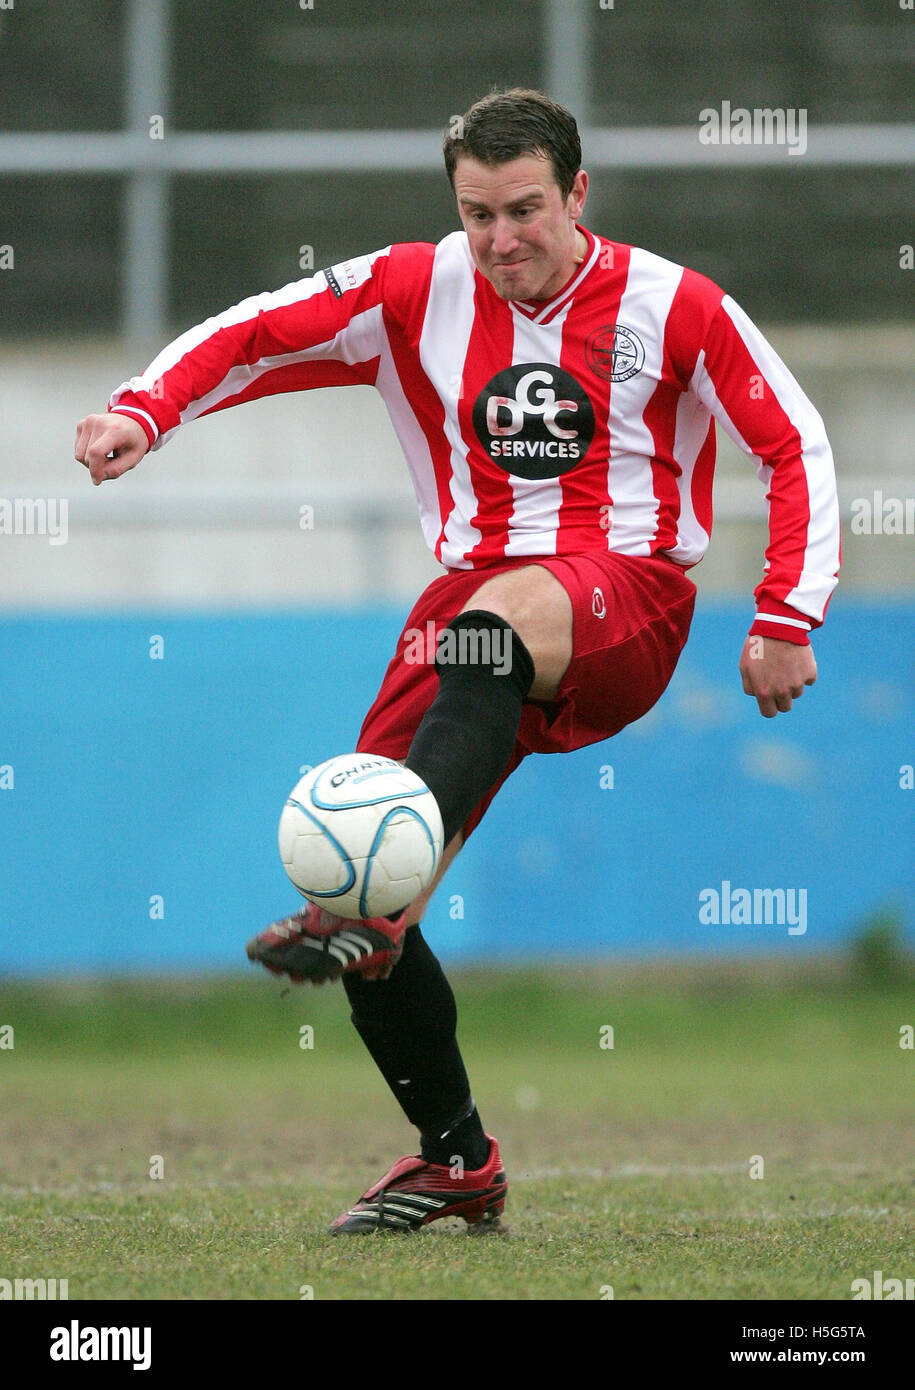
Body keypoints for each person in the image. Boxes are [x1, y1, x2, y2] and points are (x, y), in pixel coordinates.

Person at [75, 88, 840, 1235]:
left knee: (486, 639)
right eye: (477, 214)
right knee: (356, 894)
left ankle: (385, 922)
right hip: (464, 612)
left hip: (624, 596)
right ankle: (457, 1160)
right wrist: (147, 408)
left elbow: (795, 438)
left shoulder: (672, 304)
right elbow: (256, 329)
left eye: (525, 210)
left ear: (579, 194)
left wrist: (787, 612)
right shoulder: (409, 290)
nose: (500, 241)